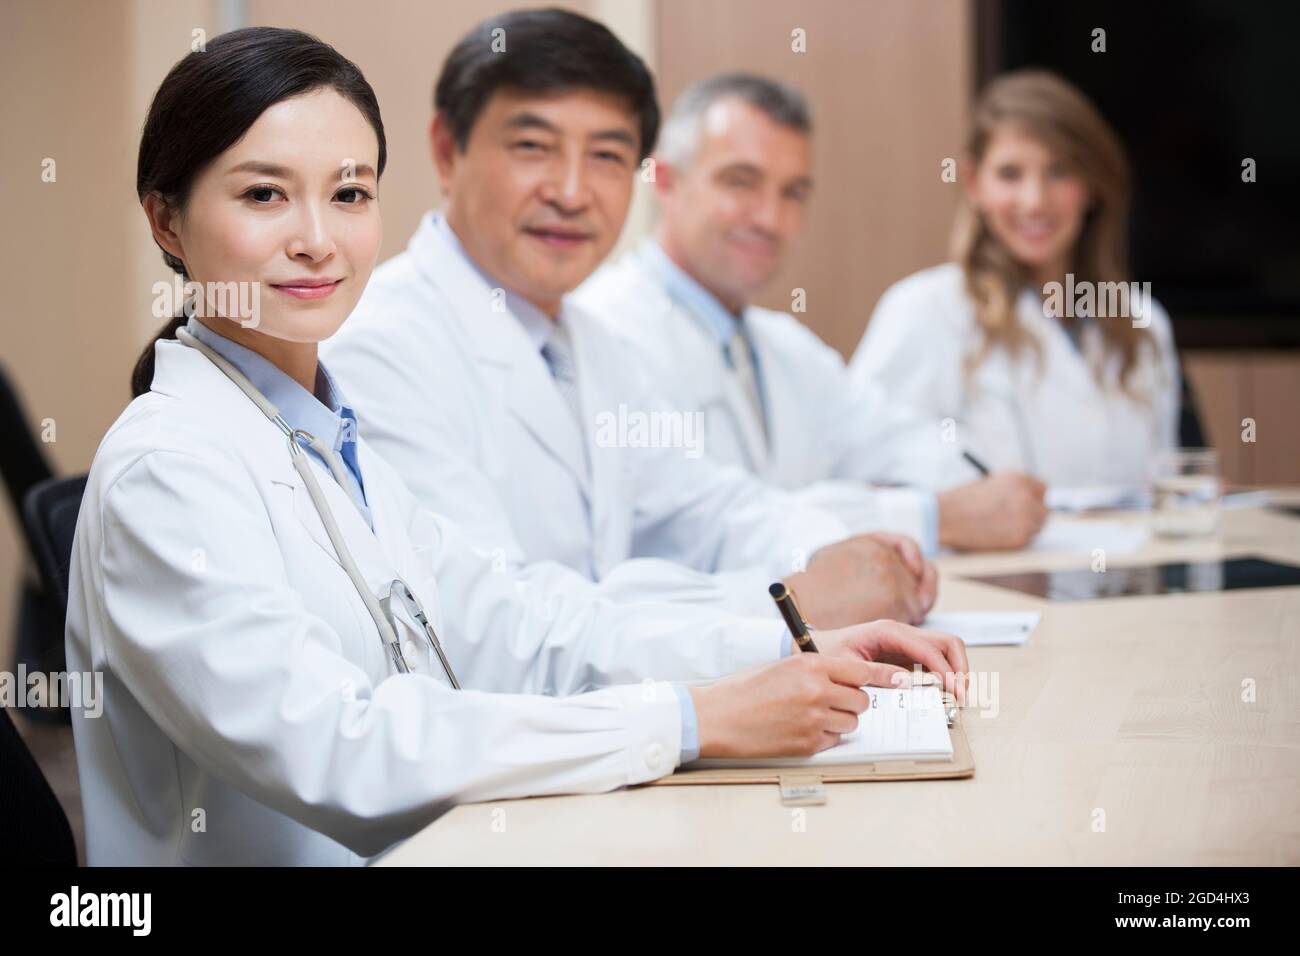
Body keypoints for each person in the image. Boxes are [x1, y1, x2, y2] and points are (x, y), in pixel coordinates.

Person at [67, 27, 967, 867]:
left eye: (349, 194)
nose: (316, 239)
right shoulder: (170, 469)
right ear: (167, 220)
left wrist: (791, 645)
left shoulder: (323, 439)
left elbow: (524, 629)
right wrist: (690, 719)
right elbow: (343, 749)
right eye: (264, 194)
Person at [324, 9, 938, 629]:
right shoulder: (378, 347)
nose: (570, 192)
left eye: (607, 156)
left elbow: (704, 506)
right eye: (533, 147)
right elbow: (493, 626)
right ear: (446, 151)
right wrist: (787, 604)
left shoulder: (591, 344)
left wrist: (830, 550)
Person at [579, 73, 1048, 553]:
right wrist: (927, 517)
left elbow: (892, 437)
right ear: (666, 179)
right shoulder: (605, 330)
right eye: (741, 182)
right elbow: (700, 522)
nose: (770, 218)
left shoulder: (782, 347)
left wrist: (988, 486)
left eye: (793, 193)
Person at [848, 70, 1180, 489]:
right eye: (1010, 174)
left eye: (1059, 171)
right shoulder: (926, 309)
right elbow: (861, 470)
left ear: (1092, 186)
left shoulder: (1142, 322)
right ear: (974, 184)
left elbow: (1172, 493)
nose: (1034, 200)